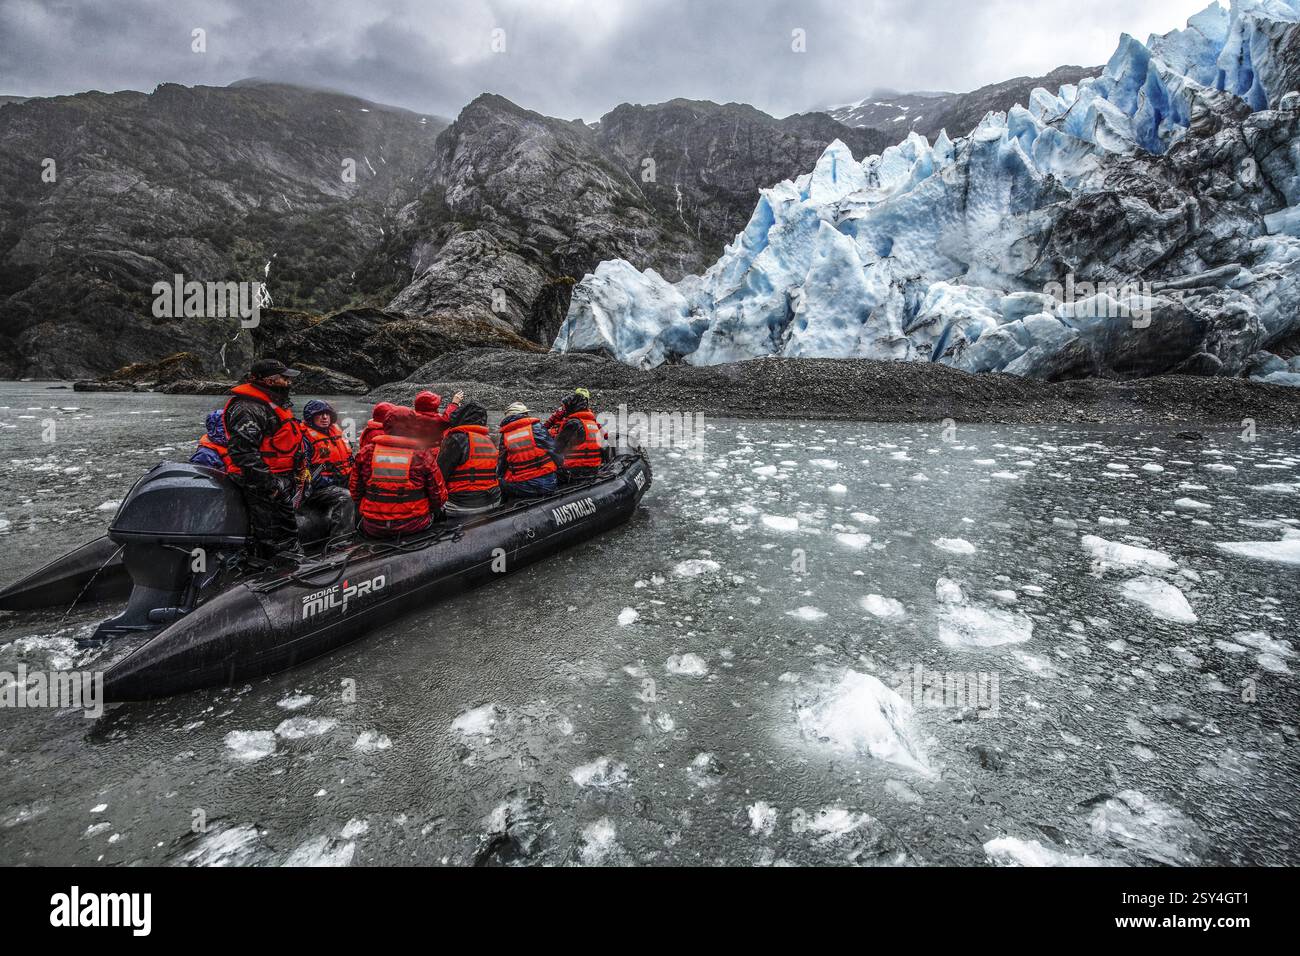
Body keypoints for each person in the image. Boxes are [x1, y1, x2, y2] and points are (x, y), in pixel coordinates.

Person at [222, 359, 307, 562]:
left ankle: (282, 560)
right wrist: (270, 485)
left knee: (284, 525)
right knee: (275, 530)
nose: (288, 382)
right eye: (284, 378)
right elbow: (243, 452)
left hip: (277, 477)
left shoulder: (270, 404)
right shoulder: (248, 408)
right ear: (268, 380)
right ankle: (285, 566)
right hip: (260, 481)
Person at [351, 408, 447, 538]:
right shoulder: (422, 455)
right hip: (414, 524)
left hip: (373, 526)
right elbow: (438, 497)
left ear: (386, 425)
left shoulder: (366, 452)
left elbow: (355, 491)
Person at [300, 399, 357, 542]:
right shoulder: (304, 439)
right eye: (319, 414)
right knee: (345, 497)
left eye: (327, 414)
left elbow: (350, 460)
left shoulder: (336, 432)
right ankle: (340, 543)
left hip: (340, 481)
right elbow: (304, 474)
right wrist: (332, 481)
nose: (325, 417)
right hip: (316, 488)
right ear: (310, 417)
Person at [437, 401, 502, 514]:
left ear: (459, 418)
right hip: (494, 500)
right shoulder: (489, 440)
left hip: (463, 505)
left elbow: (439, 476)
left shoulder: (456, 439)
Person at [497, 402, 559, 499]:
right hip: (548, 483)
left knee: (499, 482)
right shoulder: (537, 428)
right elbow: (554, 452)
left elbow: (501, 466)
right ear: (525, 414)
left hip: (523, 486)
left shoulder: (505, 436)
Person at [547, 388, 606, 483]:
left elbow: (556, 449)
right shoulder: (591, 421)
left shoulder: (573, 423)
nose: (565, 410)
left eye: (566, 407)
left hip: (575, 472)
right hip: (593, 469)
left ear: (572, 407)